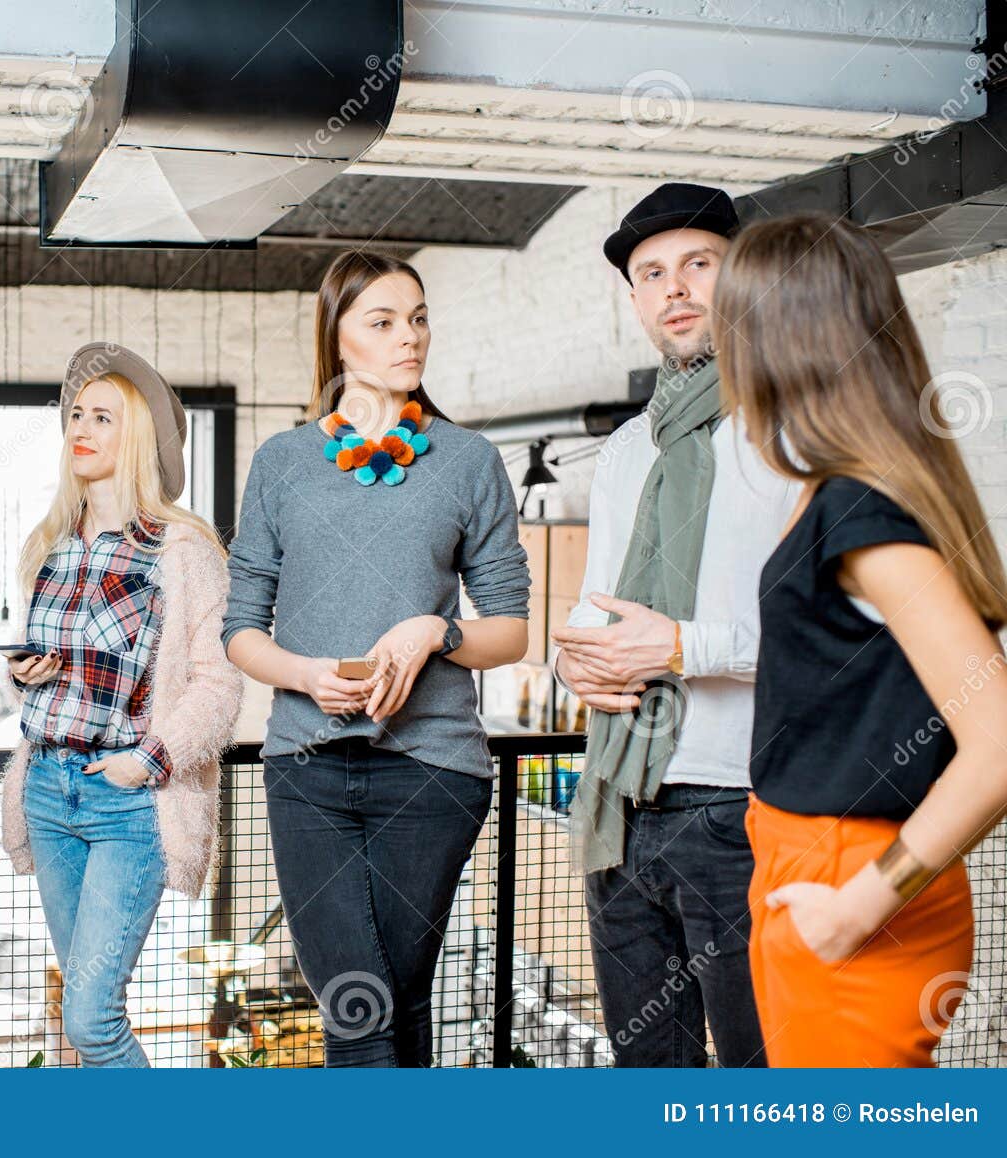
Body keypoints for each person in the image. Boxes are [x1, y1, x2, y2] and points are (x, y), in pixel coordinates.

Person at [223, 250, 531, 1067]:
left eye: (419, 317)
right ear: (339, 337)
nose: (411, 338)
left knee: (389, 1004)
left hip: (434, 772)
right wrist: (303, 675)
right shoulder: (282, 464)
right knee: (362, 1006)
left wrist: (438, 633)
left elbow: (512, 630)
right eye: (384, 321)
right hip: (306, 770)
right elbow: (241, 629)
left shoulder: (468, 461)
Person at [714, 214, 1007, 1066]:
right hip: (812, 860)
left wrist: (859, 907)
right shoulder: (850, 494)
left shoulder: (862, 513)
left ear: (776, 342)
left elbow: (997, 746)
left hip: (849, 886)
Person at [550, 183, 794, 1068]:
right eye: (653, 273)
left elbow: (836, 639)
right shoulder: (627, 449)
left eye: (699, 264)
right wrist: (572, 661)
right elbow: (595, 602)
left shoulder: (790, 432)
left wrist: (686, 647)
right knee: (647, 1075)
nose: (675, 288)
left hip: (743, 810)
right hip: (621, 805)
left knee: (762, 1074)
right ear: (636, 300)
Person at [0, 342, 242, 1068]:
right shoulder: (51, 545)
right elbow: (57, 671)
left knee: (92, 1016)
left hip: (126, 798)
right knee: (83, 1010)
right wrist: (27, 676)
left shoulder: (183, 548)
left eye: (103, 417)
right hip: (48, 789)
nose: (82, 427)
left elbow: (219, 682)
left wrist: (148, 761)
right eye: (77, 413)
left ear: (135, 436)